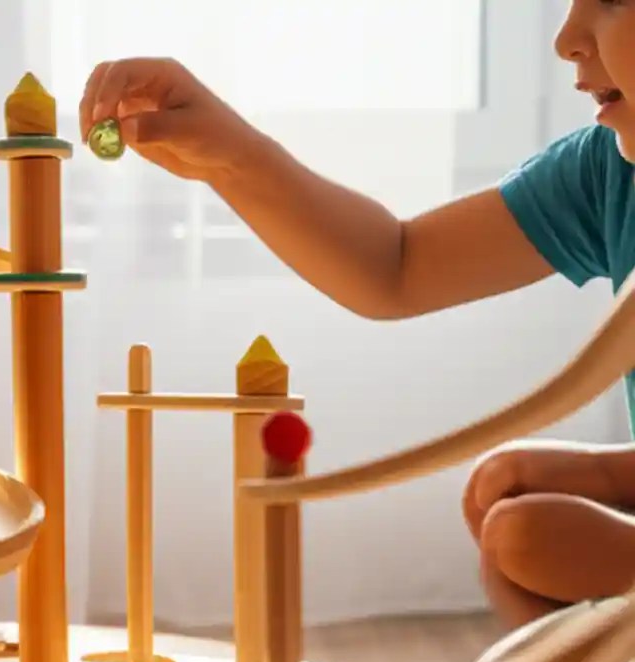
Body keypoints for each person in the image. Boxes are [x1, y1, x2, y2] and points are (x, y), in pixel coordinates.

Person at [78, 0, 635, 630]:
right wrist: (233, 154)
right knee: (506, 497)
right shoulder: (606, 173)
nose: (566, 39)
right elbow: (396, 267)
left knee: (525, 535)